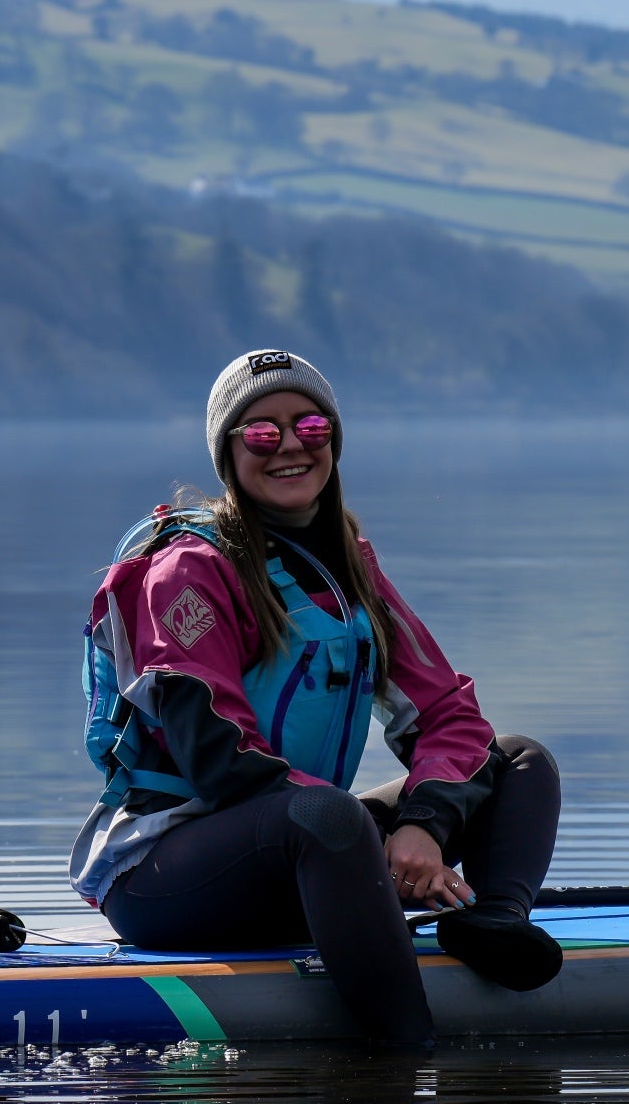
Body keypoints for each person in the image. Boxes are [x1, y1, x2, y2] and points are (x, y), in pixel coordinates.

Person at [70, 349, 563, 1045]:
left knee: (515, 760)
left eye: (310, 425)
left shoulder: (346, 563)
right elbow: (220, 760)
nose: (290, 445)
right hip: (165, 871)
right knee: (326, 816)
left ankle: (492, 925)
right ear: (228, 452)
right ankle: (407, 1050)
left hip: (317, 846)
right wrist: (367, 839)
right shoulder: (186, 572)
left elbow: (447, 715)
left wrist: (424, 824)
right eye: (262, 432)